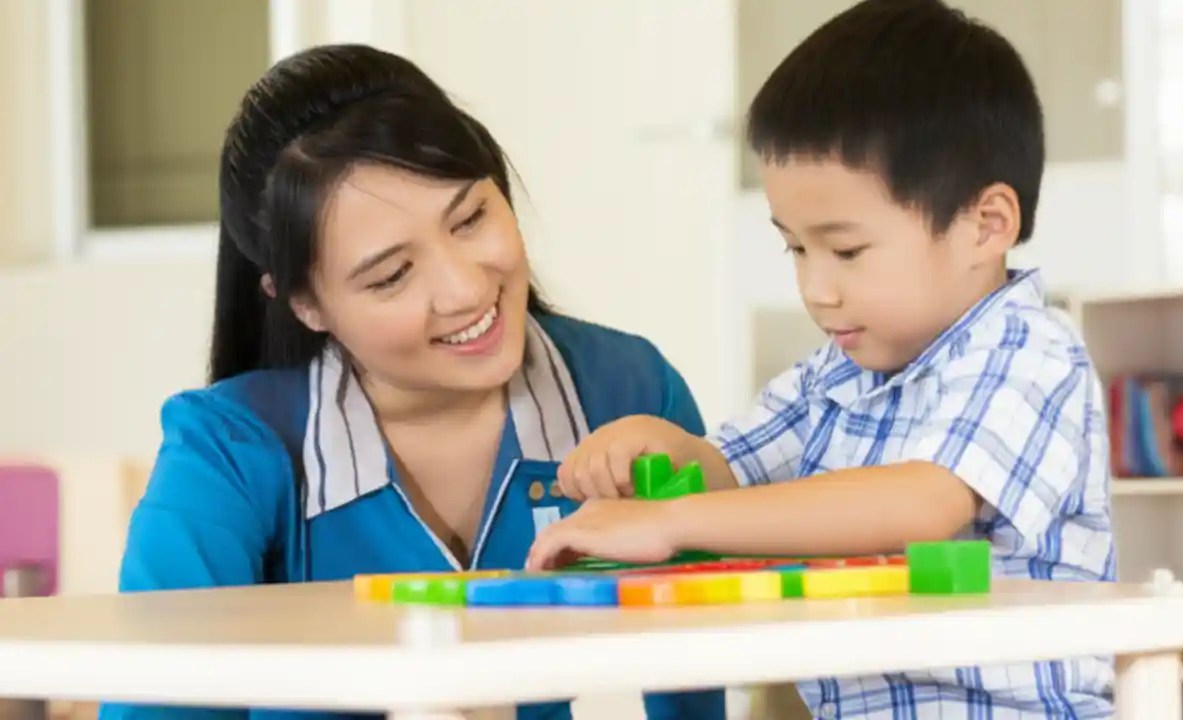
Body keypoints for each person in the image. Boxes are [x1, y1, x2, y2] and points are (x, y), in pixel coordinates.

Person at [100, 44, 724, 720]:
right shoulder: (227, 452)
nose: (463, 290)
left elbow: (695, 675)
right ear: (304, 304)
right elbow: (160, 707)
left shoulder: (628, 393)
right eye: (392, 275)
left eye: (470, 220)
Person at [527, 1, 1115, 717]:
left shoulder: (1031, 352)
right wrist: (664, 446)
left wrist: (675, 522)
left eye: (846, 250)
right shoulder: (836, 374)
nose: (815, 287)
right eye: (796, 248)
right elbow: (732, 473)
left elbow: (920, 502)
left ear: (985, 226)